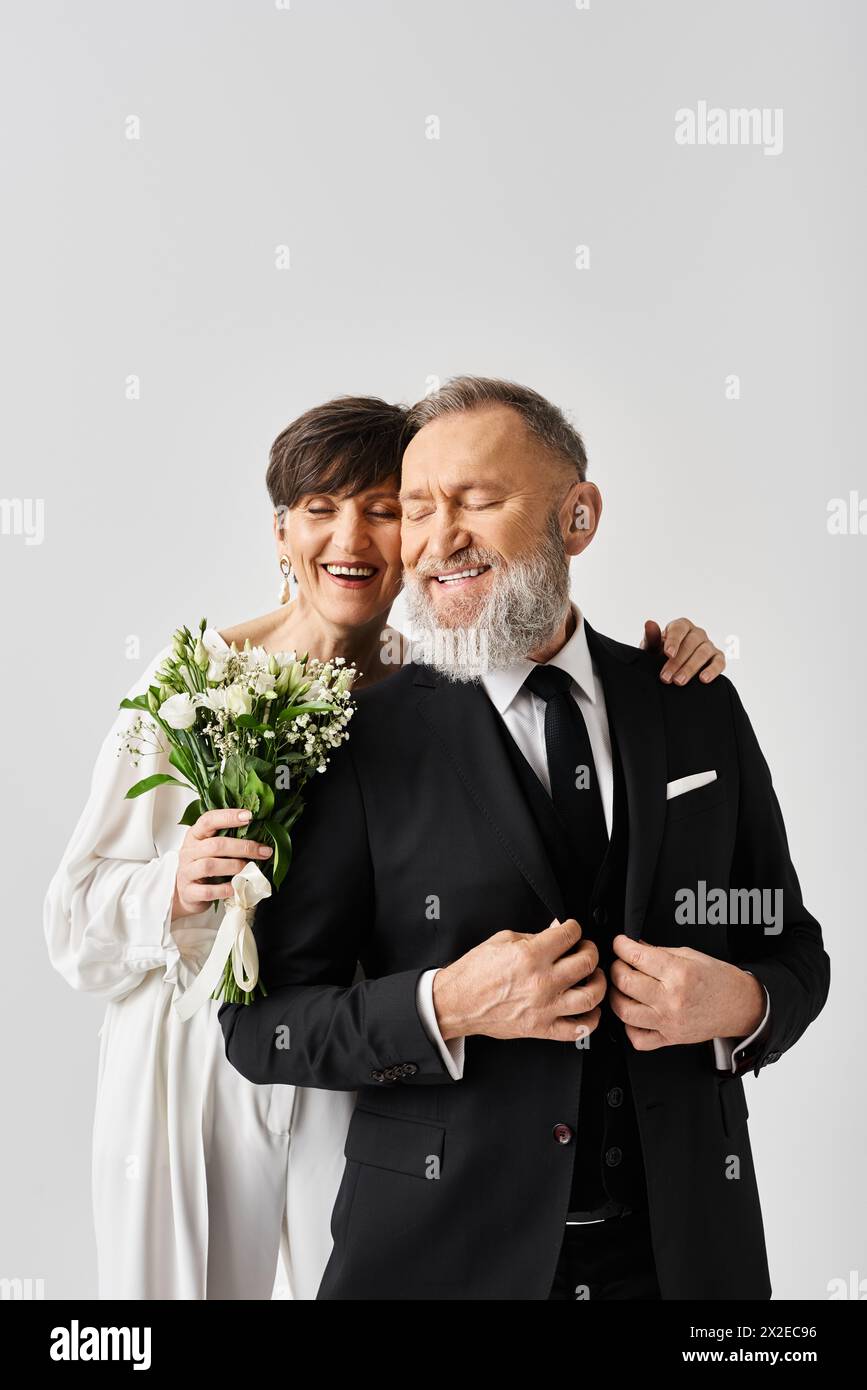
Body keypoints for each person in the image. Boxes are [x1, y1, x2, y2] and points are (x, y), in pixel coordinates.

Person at [43, 393, 722, 1300]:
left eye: (379, 508)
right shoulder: (186, 686)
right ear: (280, 533)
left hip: (364, 1057)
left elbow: (554, 671)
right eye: (321, 511)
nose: (352, 539)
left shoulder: (438, 687)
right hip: (193, 1056)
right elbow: (70, 922)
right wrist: (174, 884)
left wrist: (669, 665)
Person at [220, 377, 830, 1300]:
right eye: (418, 509)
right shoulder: (357, 738)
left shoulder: (692, 705)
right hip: (438, 1261)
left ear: (576, 516)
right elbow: (260, 1029)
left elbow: (789, 943)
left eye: (477, 501)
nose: (437, 540)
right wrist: (442, 1006)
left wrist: (742, 1002)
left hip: (684, 1261)